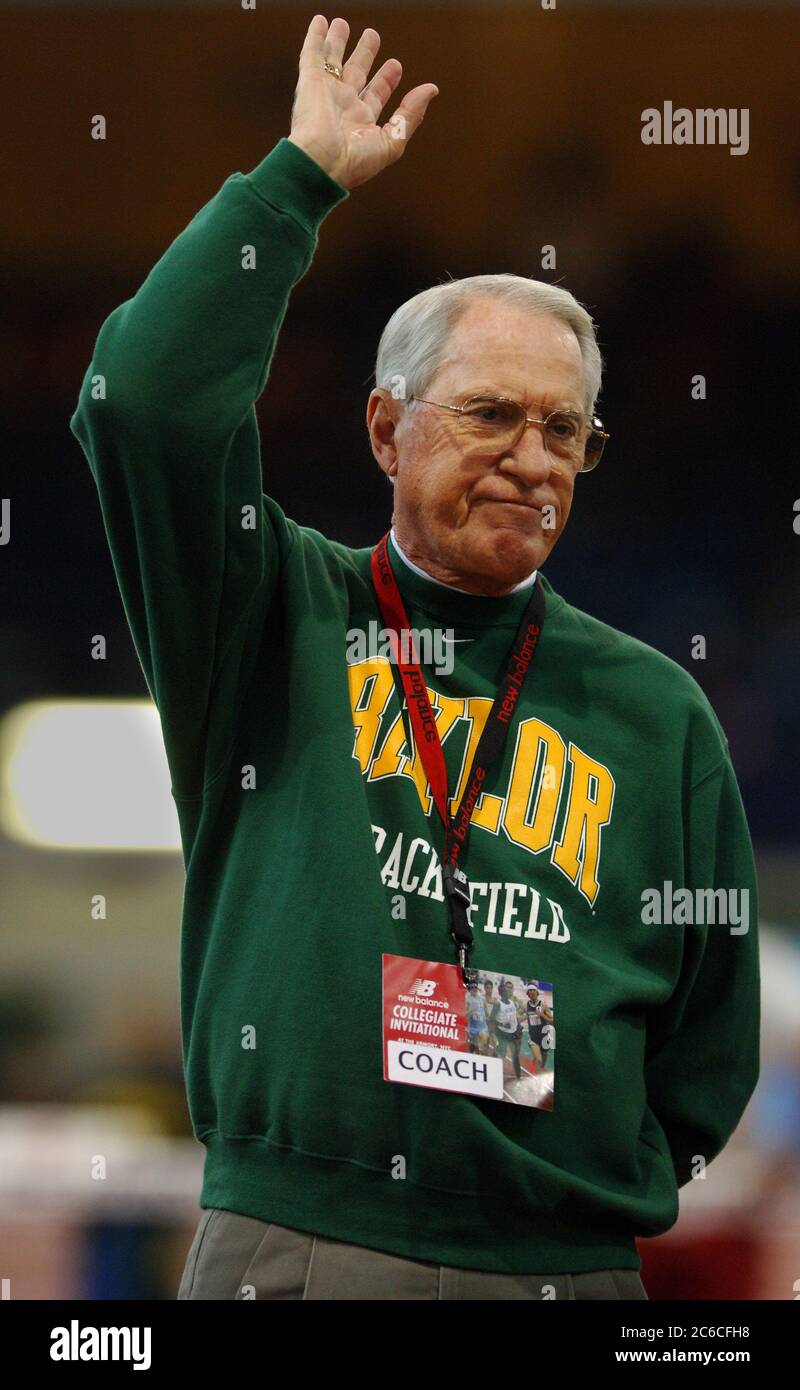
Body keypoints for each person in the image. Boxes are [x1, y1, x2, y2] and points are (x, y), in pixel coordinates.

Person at [70, 14, 760, 1301]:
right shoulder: (267, 613)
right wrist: (297, 183)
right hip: (296, 1242)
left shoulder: (655, 712)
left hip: (562, 1261)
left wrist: (573, 1171)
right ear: (386, 429)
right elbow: (144, 402)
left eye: (566, 430)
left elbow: (706, 1040)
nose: (534, 457)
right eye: (492, 413)